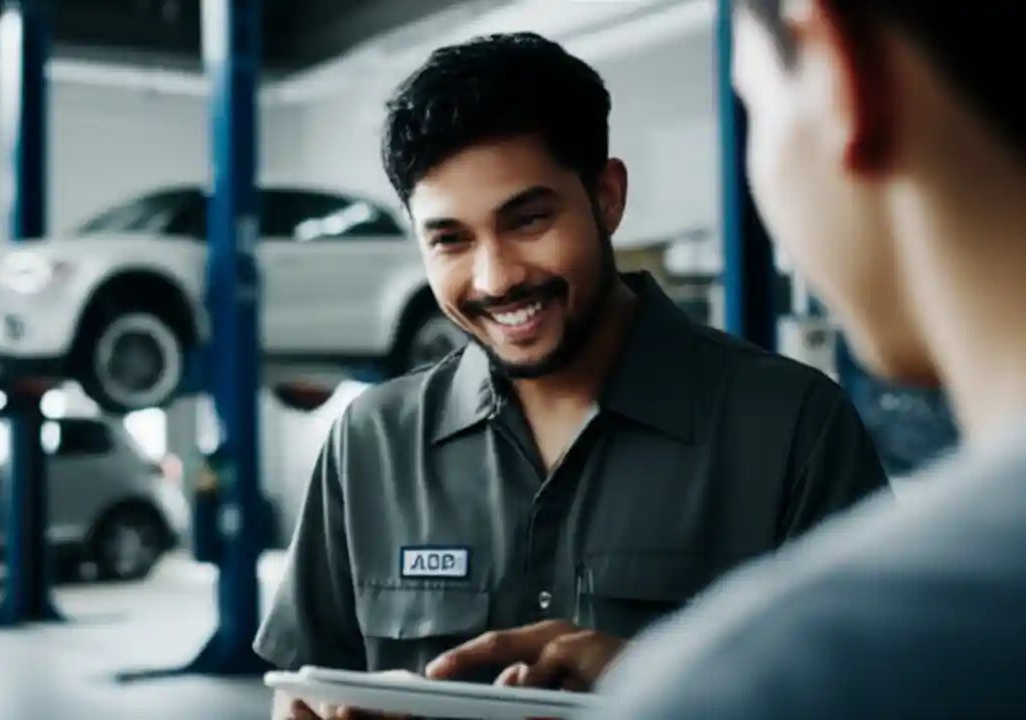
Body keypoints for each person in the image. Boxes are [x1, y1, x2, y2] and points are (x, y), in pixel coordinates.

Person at [254, 32, 890, 720]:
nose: (495, 278)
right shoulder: (372, 441)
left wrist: (662, 685)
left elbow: (896, 696)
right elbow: (307, 686)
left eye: (528, 219)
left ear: (607, 197)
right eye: (450, 239)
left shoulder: (792, 428)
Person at [422, 1, 1026, 717]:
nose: (495, 278)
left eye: (755, 106)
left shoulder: (786, 671)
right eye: (449, 238)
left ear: (842, 70)